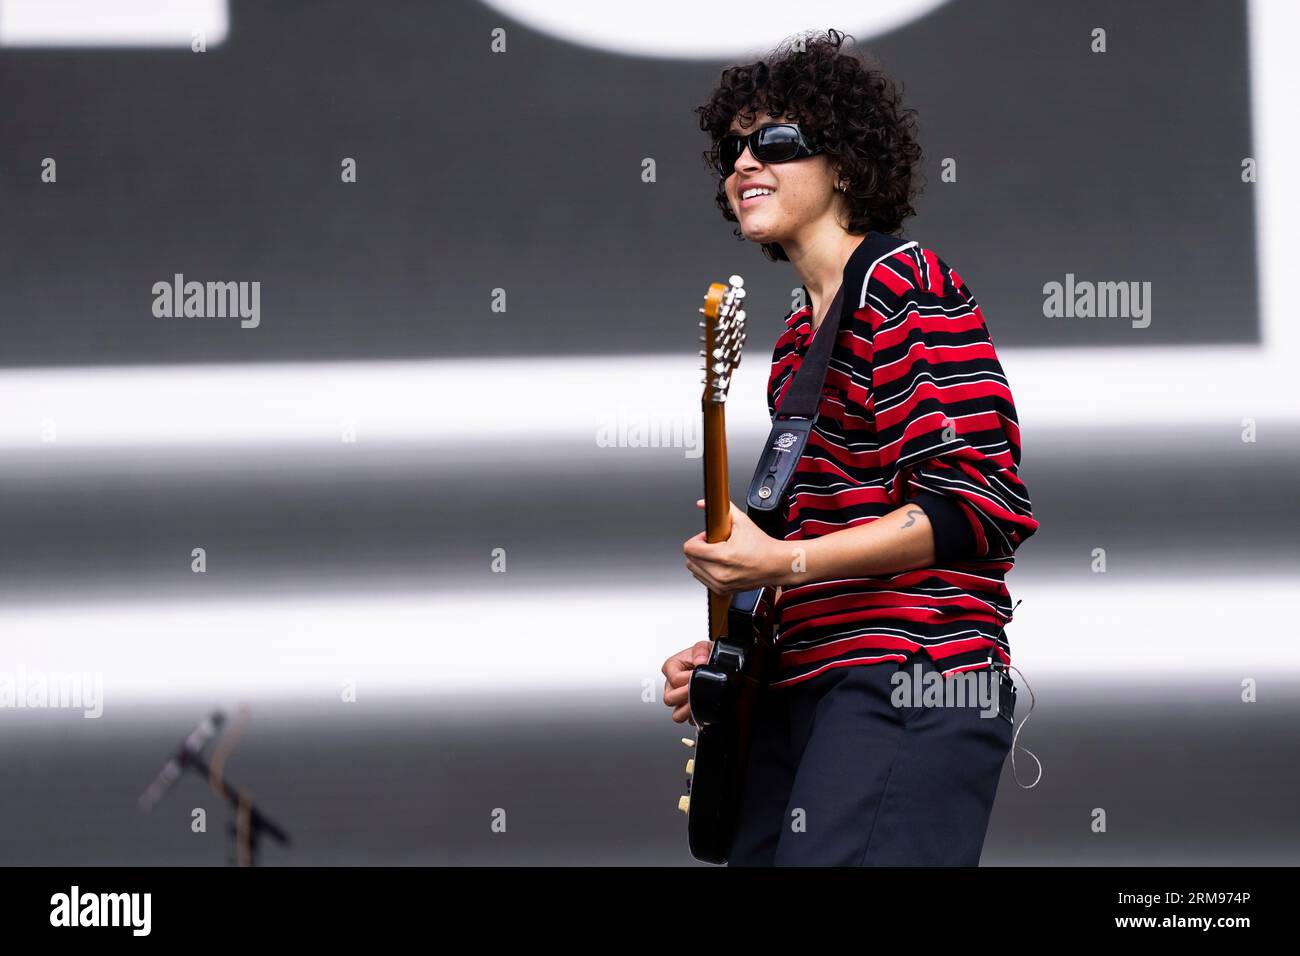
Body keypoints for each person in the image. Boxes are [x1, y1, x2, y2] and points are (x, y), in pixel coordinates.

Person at [661, 28, 1040, 866]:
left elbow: (971, 507)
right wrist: (734, 650)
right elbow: (817, 544)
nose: (743, 162)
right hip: (811, 689)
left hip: (915, 675)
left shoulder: (907, 283)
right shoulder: (799, 337)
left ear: (845, 165)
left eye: (778, 141)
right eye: (733, 147)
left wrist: (777, 566)